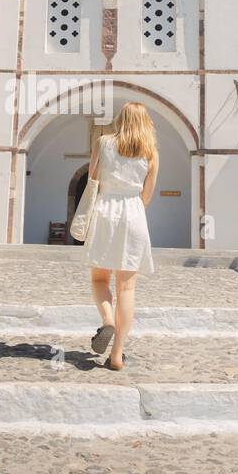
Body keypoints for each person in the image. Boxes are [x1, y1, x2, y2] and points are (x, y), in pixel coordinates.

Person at [84, 103, 158, 370]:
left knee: (99, 278)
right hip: (134, 213)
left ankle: (108, 322)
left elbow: (92, 179)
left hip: (106, 210)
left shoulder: (103, 142)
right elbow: (147, 196)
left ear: (120, 120)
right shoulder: (151, 153)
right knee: (127, 287)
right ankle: (116, 356)